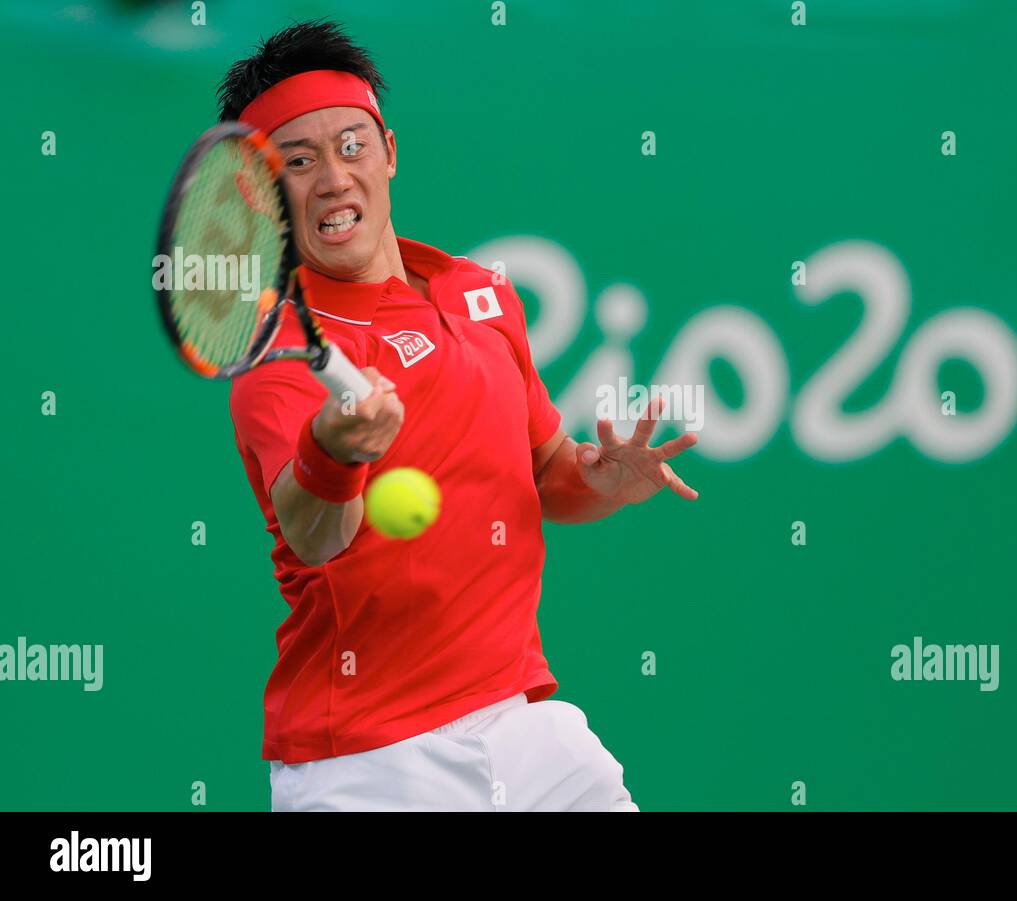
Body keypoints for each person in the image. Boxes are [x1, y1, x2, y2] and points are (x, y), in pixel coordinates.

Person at [219, 20, 698, 811]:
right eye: (297, 162)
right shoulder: (280, 355)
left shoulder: (480, 292)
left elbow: (545, 473)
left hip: (528, 730)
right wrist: (335, 451)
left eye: (351, 146)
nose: (334, 179)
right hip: (367, 761)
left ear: (390, 153)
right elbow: (315, 533)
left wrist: (602, 478)